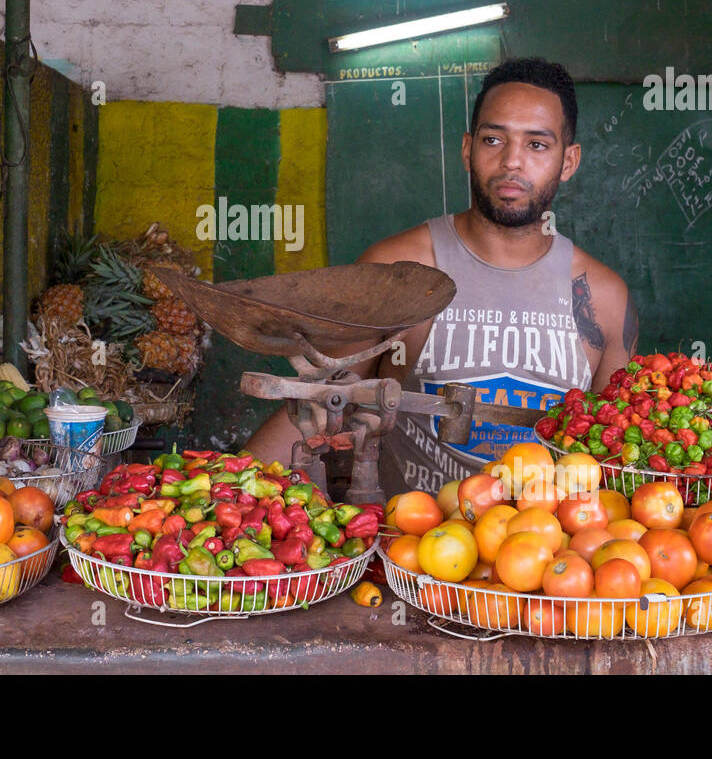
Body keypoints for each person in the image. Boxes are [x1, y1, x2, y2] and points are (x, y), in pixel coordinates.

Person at [244, 57, 638, 496]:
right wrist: (223, 492)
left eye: (537, 146)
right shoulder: (398, 270)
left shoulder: (604, 297)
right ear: (468, 150)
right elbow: (315, 406)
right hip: (410, 552)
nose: (512, 162)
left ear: (569, 161)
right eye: (494, 139)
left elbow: (613, 458)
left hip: (548, 556)